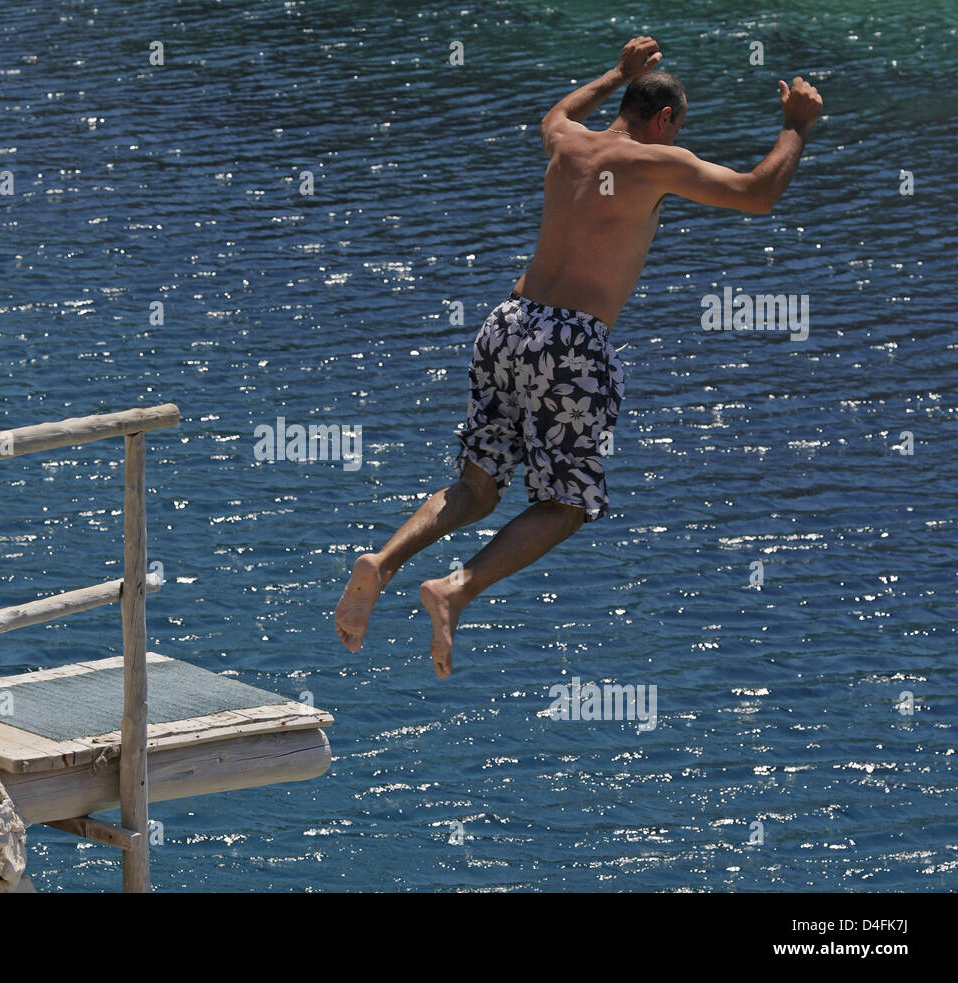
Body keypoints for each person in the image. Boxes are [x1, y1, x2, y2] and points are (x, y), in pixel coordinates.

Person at [333, 36, 823, 677]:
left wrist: (614, 73)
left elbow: (555, 113)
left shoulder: (566, 141)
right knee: (565, 505)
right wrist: (795, 127)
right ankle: (455, 589)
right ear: (666, 119)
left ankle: (384, 560)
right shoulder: (657, 162)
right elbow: (758, 193)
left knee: (477, 487)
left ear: (624, 101)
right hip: (570, 342)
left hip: (508, 322)